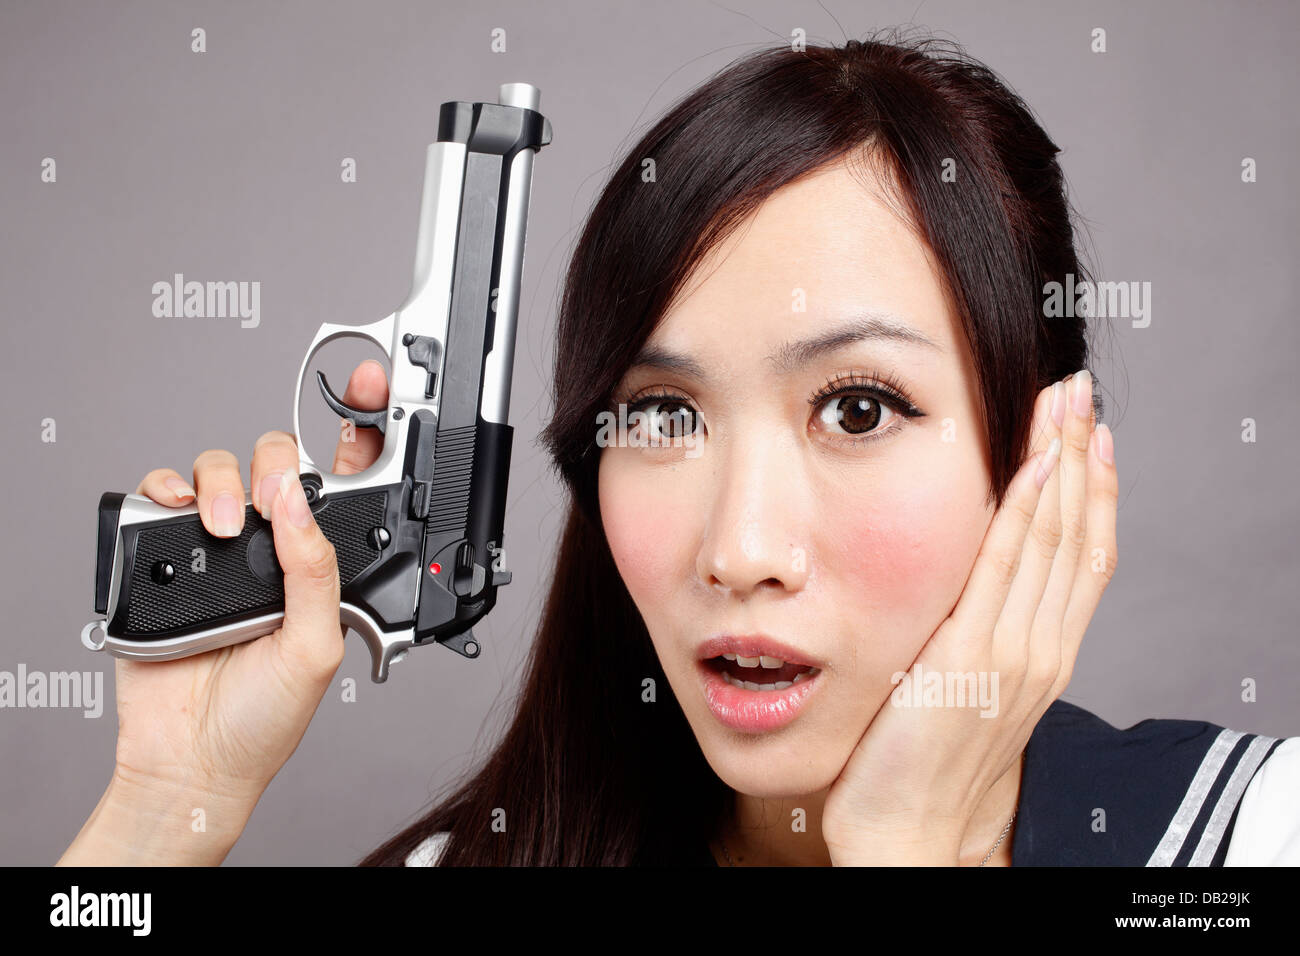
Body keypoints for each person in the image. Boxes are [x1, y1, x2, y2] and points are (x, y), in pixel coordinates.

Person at [59, 34, 1299, 868]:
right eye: (660, 415)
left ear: (1044, 449)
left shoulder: (1244, 840)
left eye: (858, 408)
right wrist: (166, 809)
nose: (740, 548)